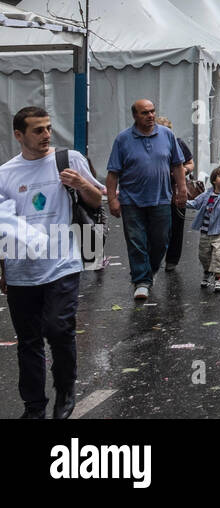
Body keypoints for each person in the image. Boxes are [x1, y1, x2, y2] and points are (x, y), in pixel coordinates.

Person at [0, 106, 104, 419]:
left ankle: (65, 390)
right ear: (19, 135)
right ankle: (34, 407)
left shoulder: (69, 159)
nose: (47, 135)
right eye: (38, 130)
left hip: (62, 262)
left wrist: (81, 185)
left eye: (48, 128)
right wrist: (2, 267)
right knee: (28, 341)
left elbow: (97, 200)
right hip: (22, 270)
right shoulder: (5, 174)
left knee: (59, 329)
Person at [105, 99, 187, 301]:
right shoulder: (123, 139)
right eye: (144, 113)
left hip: (161, 198)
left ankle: (149, 271)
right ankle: (142, 281)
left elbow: (177, 165)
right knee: (136, 241)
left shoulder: (167, 135)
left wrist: (182, 190)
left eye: (152, 112)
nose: (150, 116)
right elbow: (113, 173)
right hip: (131, 200)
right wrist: (111, 199)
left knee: (161, 240)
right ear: (135, 116)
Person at [156, 115, 193, 273]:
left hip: (176, 191)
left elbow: (190, 163)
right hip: (156, 192)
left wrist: (182, 170)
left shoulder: (178, 144)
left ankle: (172, 259)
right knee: (157, 229)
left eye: (167, 131)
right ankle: (155, 258)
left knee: (176, 227)